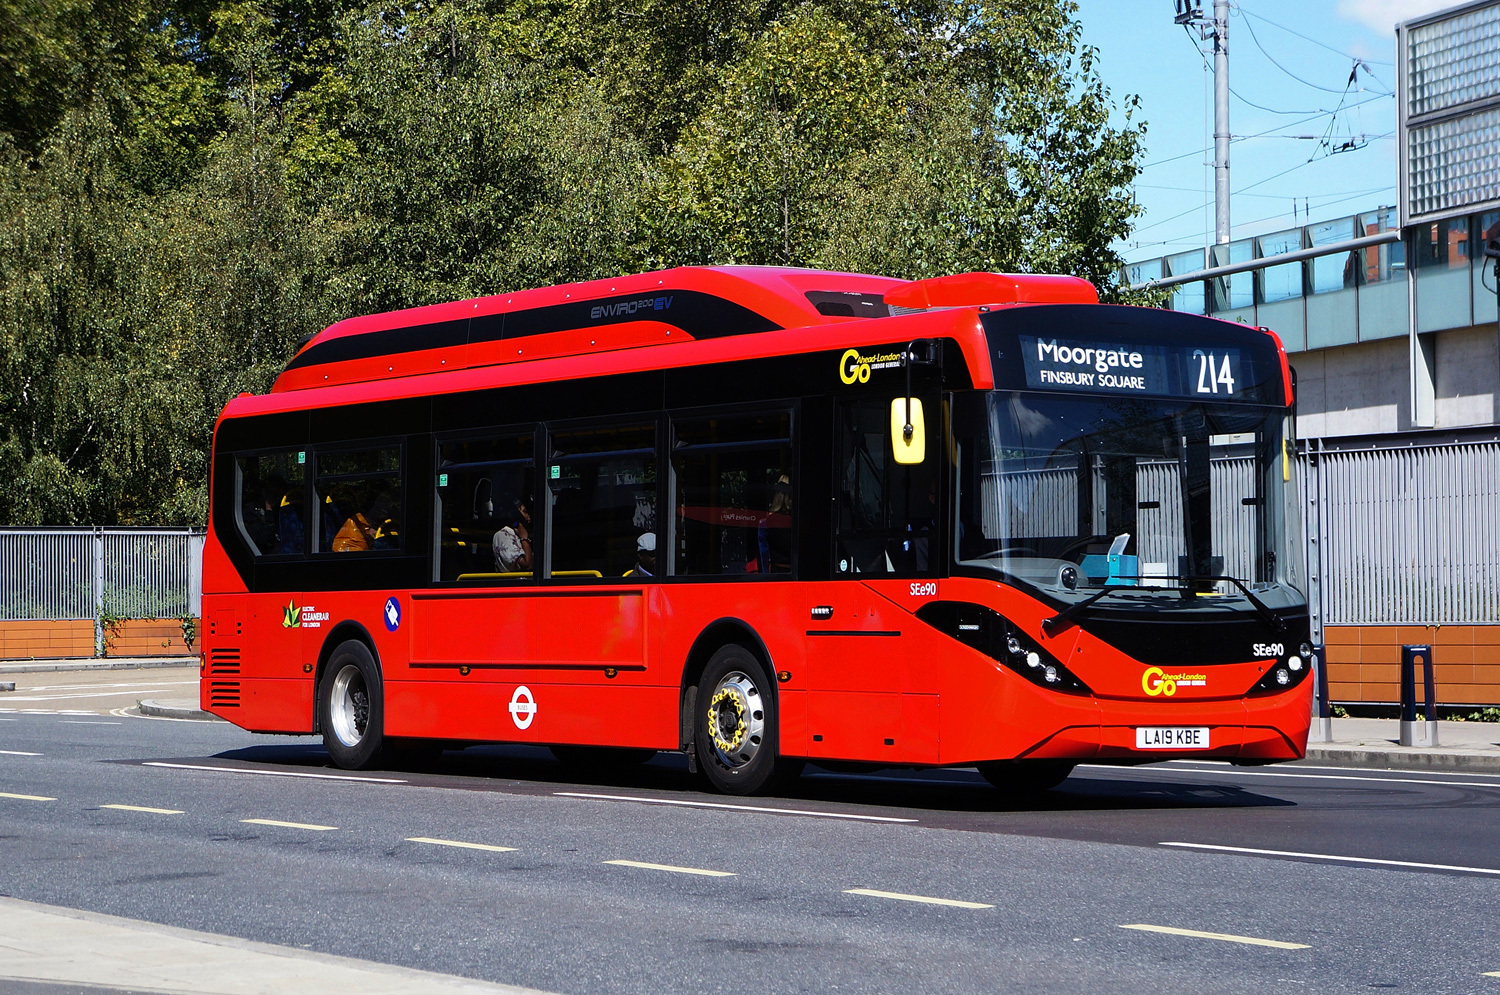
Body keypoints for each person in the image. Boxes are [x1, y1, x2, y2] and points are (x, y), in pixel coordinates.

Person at [492, 497, 534, 573]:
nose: (529, 516)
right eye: (525, 511)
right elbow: (527, 564)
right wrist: (524, 538)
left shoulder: (520, 534)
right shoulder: (503, 535)